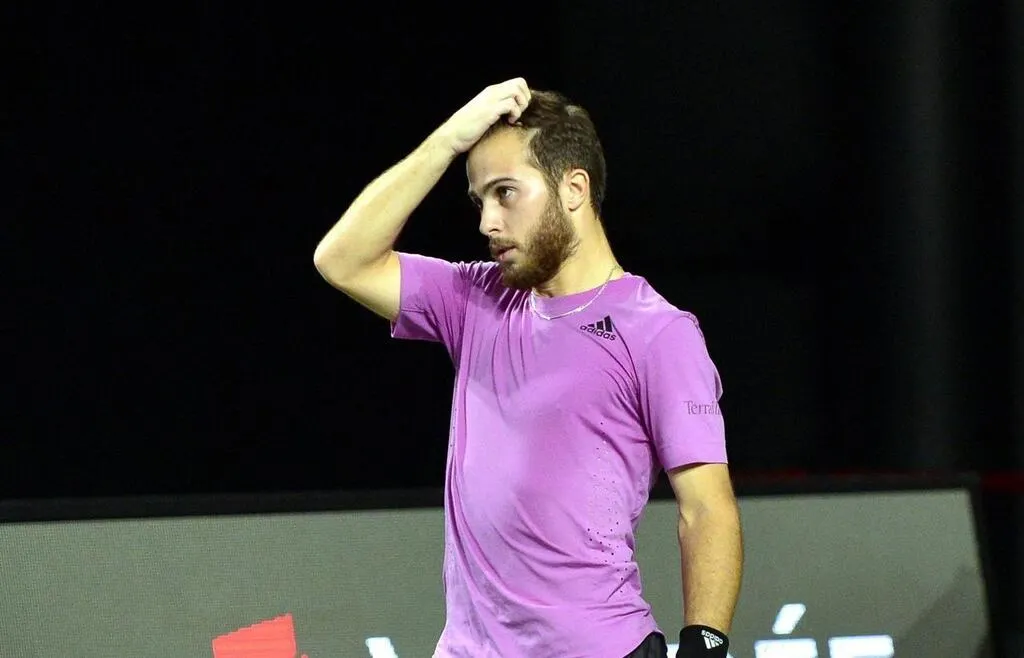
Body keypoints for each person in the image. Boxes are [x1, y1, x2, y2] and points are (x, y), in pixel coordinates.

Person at [313, 78, 743, 658]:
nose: (487, 222)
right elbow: (342, 260)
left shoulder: (658, 333)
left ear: (574, 189)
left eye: (506, 193)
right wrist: (447, 140)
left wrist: (705, 643)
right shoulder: (476, 299)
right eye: (480, 201)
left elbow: (706, 507)